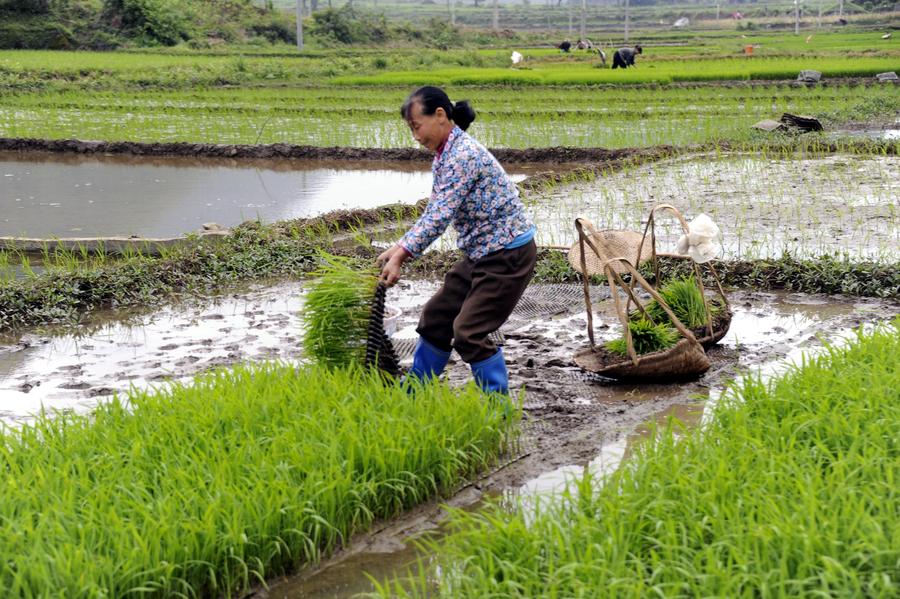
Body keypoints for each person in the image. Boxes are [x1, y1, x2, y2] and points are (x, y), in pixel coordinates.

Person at [377, 86, 536, 395]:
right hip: (482, 253)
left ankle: (498, 408)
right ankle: (415, 391)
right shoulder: (446, 154)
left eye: (416, 126)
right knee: (437, 317)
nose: (416, 137)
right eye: (411, 129)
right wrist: (399, 246)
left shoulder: (462, 155)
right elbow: (434, 209)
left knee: (468, 333)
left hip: (507, 255)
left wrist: (402, 254)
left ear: (440, 115)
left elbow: (439, 217)